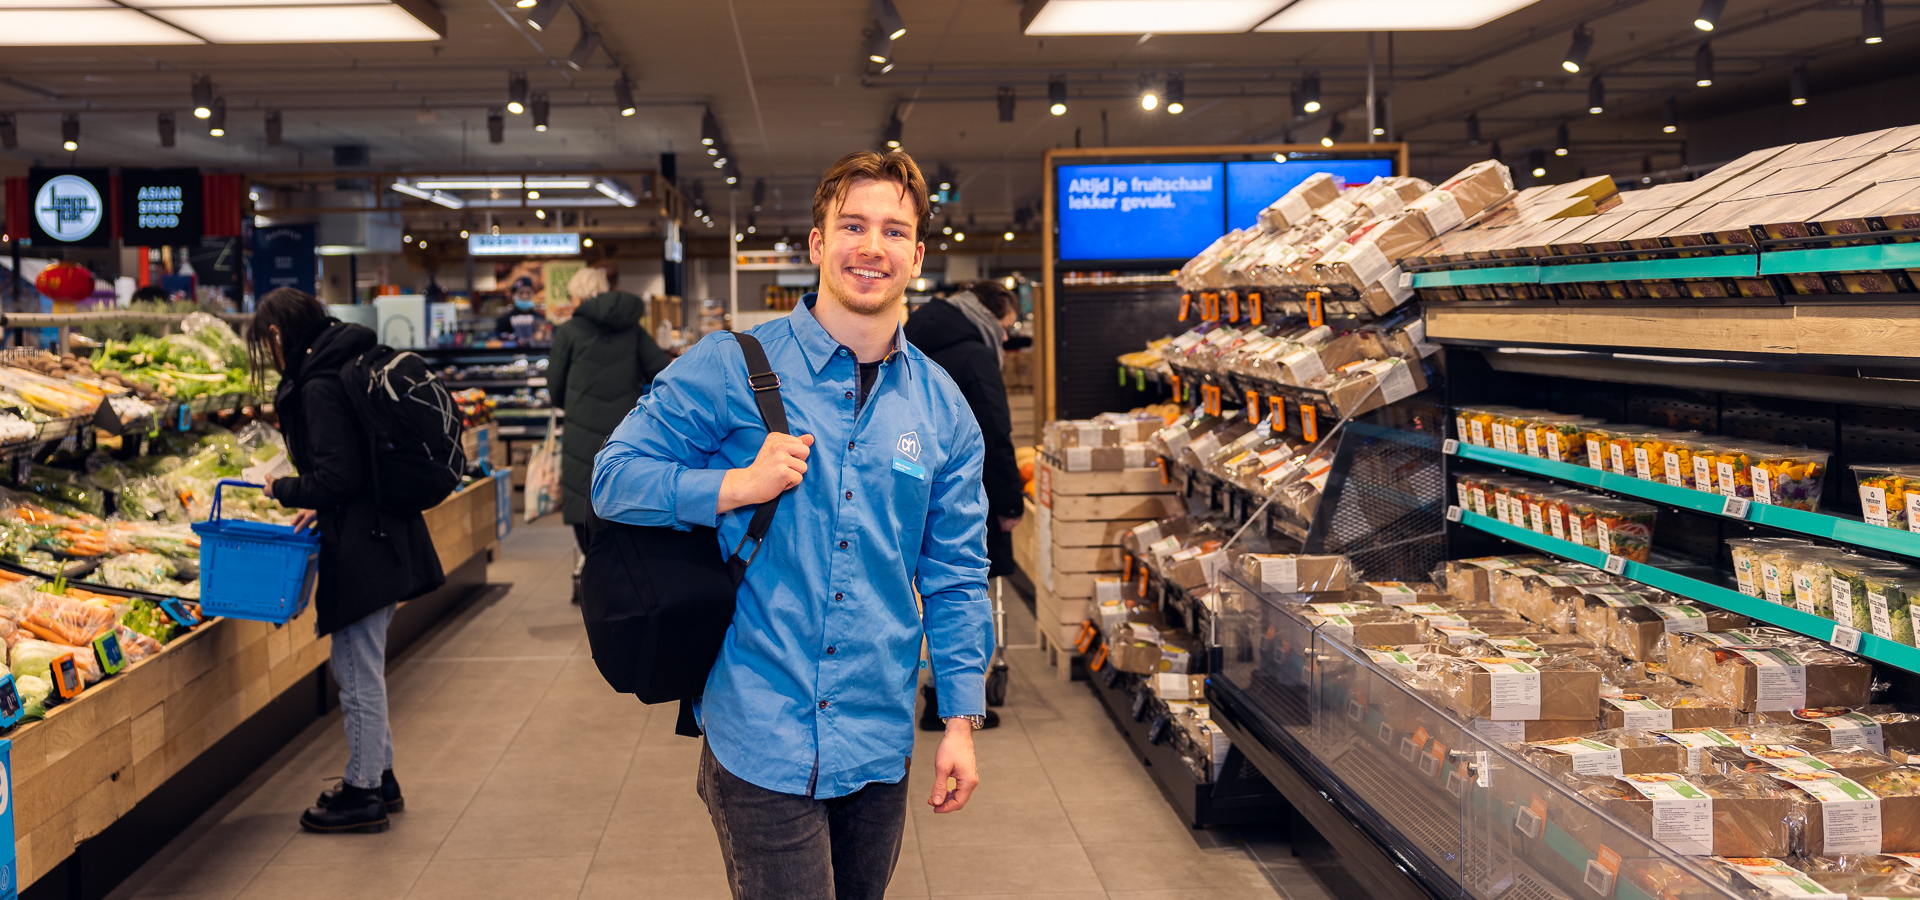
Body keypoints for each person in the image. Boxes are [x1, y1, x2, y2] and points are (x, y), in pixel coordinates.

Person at [593, 149, 991, 900]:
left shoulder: (942, 409)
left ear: (917, 254)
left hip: (879, 734)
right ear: (817, 244)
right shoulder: (731, 365)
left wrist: (961, 719)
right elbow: (613, 477)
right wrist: (734, 484)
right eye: (852, 226)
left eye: (893, 231)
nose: (871, 248)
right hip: (759, 724)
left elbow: (955, 574)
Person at [245, 288, 447, 834]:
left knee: (356, 674)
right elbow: (353, 469)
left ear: (278, 336)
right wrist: (318, 502)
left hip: (364, 546)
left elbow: (340, 475)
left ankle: (361, 793)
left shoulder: (319, 384)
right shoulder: (347, 361)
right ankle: (379, 776)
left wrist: (283, 487)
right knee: (364, 667)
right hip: (384, 534)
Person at [902, 280, 1023, 730]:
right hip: (973, 491)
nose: (1007, 337)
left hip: (916, 481)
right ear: (988, 316)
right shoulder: (975, 354)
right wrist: (1011, 502)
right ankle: (952, 701)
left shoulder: (914, 343)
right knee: (963, 585)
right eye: (1006, 327)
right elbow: (996, 431)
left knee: (925, 590)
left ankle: (934, 695)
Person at [547, 265, 672, 558]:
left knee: (583, 502)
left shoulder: (569, 332)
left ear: (578, 296)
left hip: (580, 435)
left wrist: (577, 405)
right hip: (624, 432)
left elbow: (555, 388)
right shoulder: (632, 330)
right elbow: (663, 373)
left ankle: (592, 574)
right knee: (622, 501)